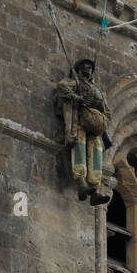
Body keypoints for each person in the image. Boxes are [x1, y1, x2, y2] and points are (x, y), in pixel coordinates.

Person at [54, 58, 113, 205]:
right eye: (86, 67)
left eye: (90, 68)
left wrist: (101, 119)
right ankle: (81, 183)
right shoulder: (75, 83)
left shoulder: (96, 89)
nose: (88, 70)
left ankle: (96, 188)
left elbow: (106, 109)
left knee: (96, 152)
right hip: (79, 122)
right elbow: (62, 87)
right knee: (79, 148)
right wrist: (76, 98)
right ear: (79, 69)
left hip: (95, 126)